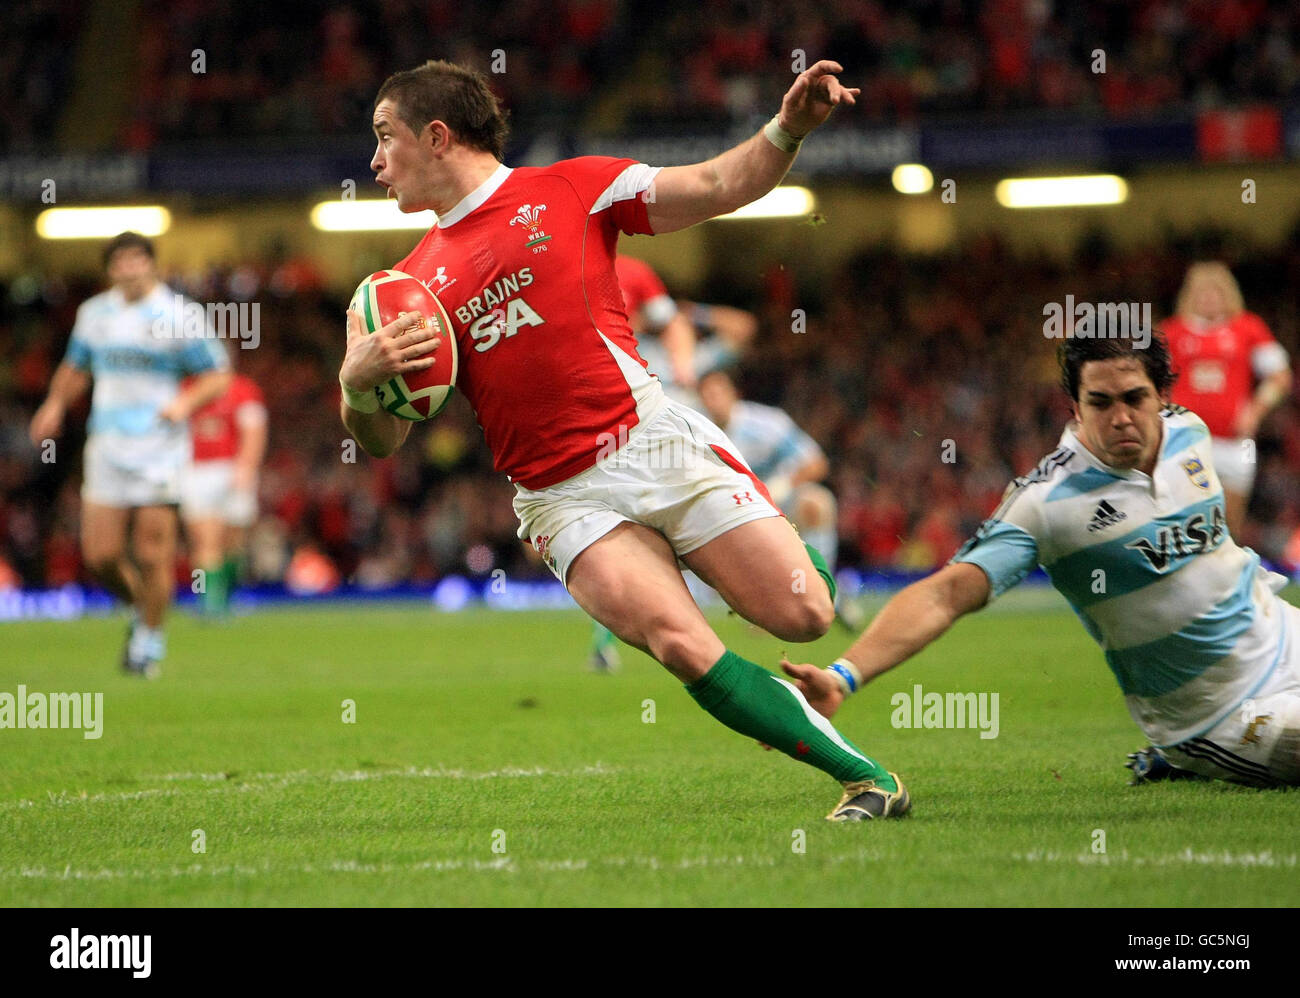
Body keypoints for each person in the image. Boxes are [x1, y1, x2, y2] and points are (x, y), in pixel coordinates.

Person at [337, 59, 909, 821]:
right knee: (681, 643)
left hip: (654, 440)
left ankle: (784, 576)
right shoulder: (404, 291)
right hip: (561, 497)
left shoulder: (572, 189)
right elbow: (381, 439)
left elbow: (714, 186)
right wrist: (356, 385)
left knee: (804, 613)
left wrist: (789, 128)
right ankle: (869, 780)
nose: (374, 162)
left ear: (437, 136)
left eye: (385, 138)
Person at [782, 333, 1300, 788]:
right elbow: (945, 593)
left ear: (1162, 396)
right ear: (1075, 406)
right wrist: (844, 676)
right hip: (1220, 713)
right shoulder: (1046, 504)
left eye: (1134, 398)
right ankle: (1182, 755)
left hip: (1285, 636)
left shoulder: (1190, 430)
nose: (1120, 417)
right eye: (1099, 403)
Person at [28, 232, 231, 675]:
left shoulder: (179, 315)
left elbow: (217, 374)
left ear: (152, 264)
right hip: (107, 444)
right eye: (119, 261)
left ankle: (148, 642)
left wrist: (183, 404)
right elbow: (76, 368)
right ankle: (145, 609)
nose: (129, 268)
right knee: (100, 555)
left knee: (153, 553)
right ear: (110, 270)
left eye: (137, 259)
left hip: (159, 446)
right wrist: (55, 404)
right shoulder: (94, 314)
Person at [1160, 262, 1292, 538]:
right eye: (1202, 292)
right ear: (1189, 295)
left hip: (1236, 442)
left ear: (1228, 294)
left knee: (1231, 521)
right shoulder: (1171, 332)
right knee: (1188, 515)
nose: (1209, 299)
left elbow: (1280, 376)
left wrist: (1254, 412)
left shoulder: (1248, 328)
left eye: (1215, 292)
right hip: (1185, 440)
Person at [181, 368, 267, 617]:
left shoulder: (243, 389)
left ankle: (227, 596)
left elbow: (254, 430)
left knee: (234, 542)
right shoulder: (186, 387)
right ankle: (211, 605)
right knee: (206, 540)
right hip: (197, 470)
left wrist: (247, 466)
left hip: (233, 468)